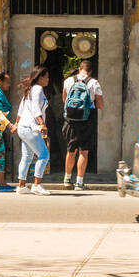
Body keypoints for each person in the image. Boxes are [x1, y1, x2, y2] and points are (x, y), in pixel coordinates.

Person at [61, 61, 103, 190]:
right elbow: (100, 105)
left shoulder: (68, 81)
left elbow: (64, 100)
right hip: (87, 119)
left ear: (80, 69)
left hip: (71, 119)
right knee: (84, 151)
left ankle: (67, 180)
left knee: (70, 150)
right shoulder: (94, 83)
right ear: (90, 72)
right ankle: (79, 183)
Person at [15, 67, 52, 196]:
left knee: (27, 157)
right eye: (46, 77)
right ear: (40, 78)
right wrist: (42, 123)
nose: (48, 79)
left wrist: (16, 124)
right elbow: (36, 108)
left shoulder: (29, 90)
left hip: (23, 127)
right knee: (44, 155)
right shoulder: (37, 89)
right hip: (31, 127)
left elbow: (21, 109)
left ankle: (21, 186)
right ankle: (36, 185)